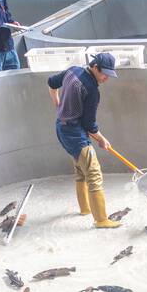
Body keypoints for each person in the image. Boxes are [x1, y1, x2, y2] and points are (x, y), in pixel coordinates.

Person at [47, 52, 121, 228]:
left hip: (62, 128)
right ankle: (101, 220)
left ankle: (85, 208)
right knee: (94, 174)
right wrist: (102, 139)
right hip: (75, 133)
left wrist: (56, 101)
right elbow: (89, 124)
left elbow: (51, 82)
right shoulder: (92, 90)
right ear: (95, 67)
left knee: (81, 170)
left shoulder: (73, 71)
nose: (106, 78)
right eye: (104, 74)